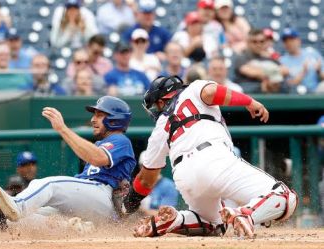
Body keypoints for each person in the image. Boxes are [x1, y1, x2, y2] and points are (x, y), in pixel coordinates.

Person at [123, 75, 297, 238]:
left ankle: (177, 220)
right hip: (213, 158)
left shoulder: (160, 128)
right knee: (285, 196)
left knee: (214, 224)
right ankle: (246, 214)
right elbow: (211, 92)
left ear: (162, 100)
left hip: (184, 176)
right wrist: (249, 101)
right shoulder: (193, 89)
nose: (156, 109)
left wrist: (127, 206)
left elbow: (145, 181)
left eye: (156, 104)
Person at [0, 96, 136, 224]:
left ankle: (18, 204)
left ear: (115, 120)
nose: (93, 119)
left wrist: (62, 129)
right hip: (93, 204)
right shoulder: (101, 143)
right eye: (94, 114)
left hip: (104, 196)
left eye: (99, 115)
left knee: (48, 184)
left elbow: (97, 158)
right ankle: (73, 228)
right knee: (17, 222)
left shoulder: (120, 140)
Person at [279, 28, 324, 94]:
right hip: (294, 94)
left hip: (315, 91)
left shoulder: (312, 53)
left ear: (298, 40)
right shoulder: (282, 60)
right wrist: (303, 72)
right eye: (286, 41)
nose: (289, 43)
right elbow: (288, 85)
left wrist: (319, 72)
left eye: (291, 39)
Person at [138, 150, 179, 216]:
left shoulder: (168, 186)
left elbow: (165, 216)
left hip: (158, 225)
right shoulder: (137, 185)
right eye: (144, 167)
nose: (148, 171)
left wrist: (141, 210)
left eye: (151, 167)